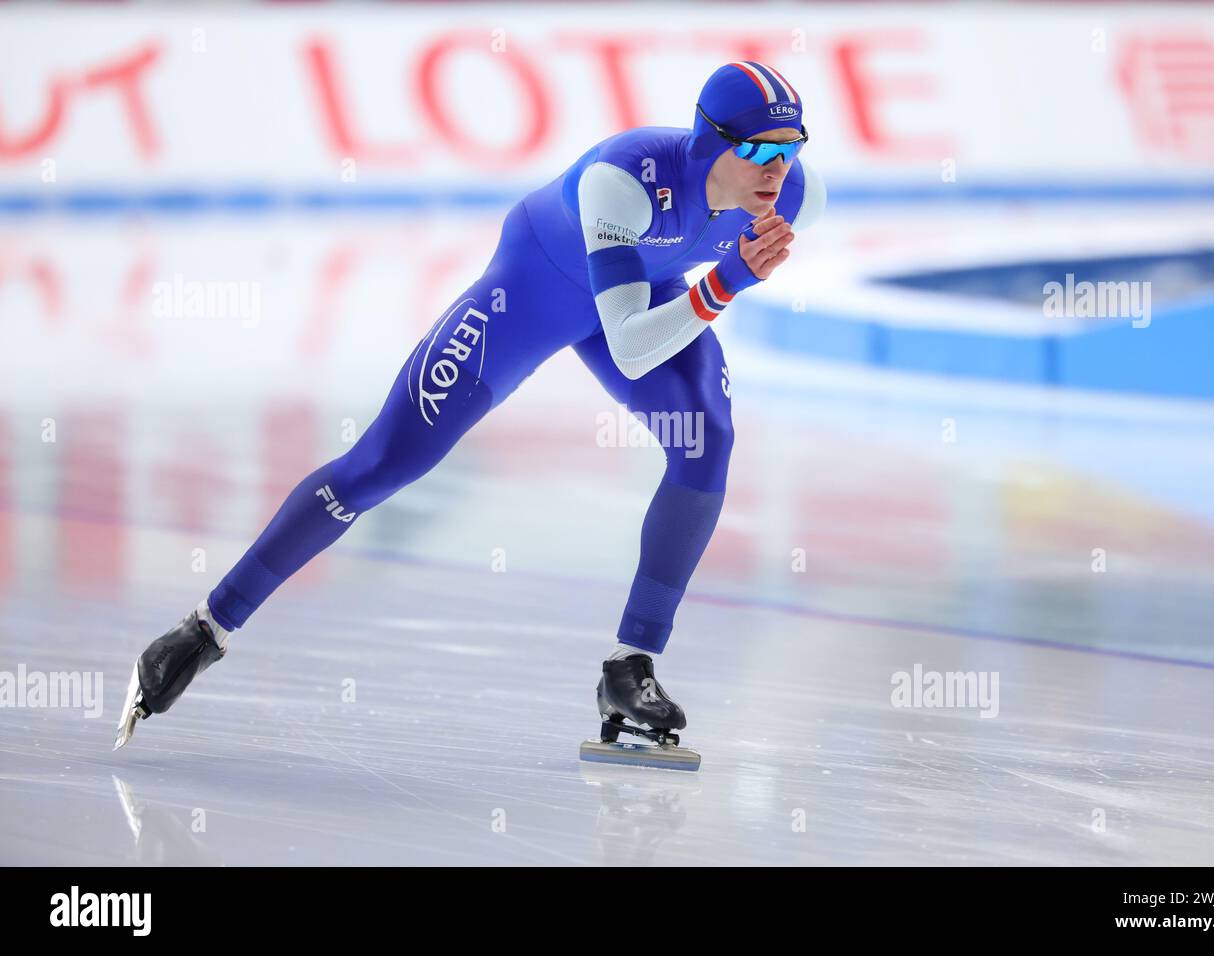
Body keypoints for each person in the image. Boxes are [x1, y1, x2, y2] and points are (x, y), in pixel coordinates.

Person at [115, 61, 827, 763]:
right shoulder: (624, 180)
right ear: (710, 142)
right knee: (384, 465)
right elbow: (633, 349)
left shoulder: (798, 193)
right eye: (760, 149)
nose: (778, 167)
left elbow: (647, 326)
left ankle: (628, 668)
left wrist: (723, 277)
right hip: (532, 292)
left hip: (642, 293)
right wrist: (731, 279)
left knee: (706, 440)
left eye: (791, 149)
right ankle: (207, 627)